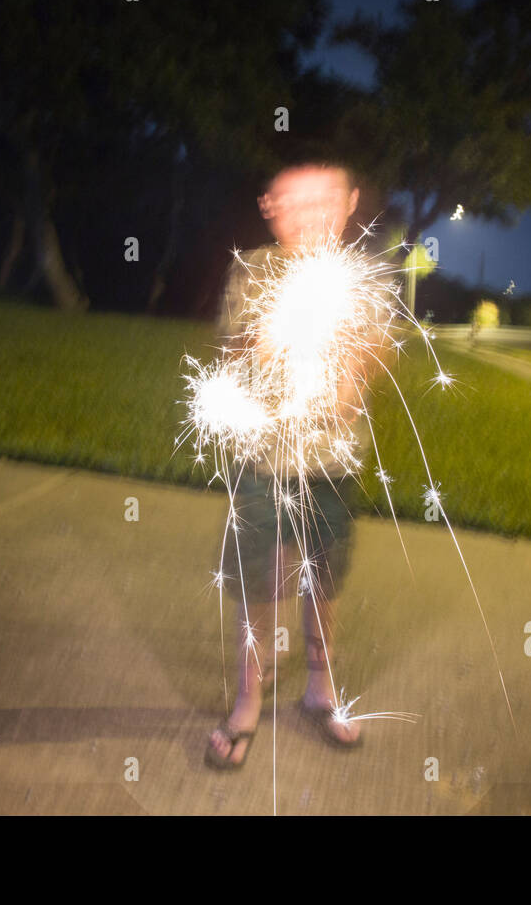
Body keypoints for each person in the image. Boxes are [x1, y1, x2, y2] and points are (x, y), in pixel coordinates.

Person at [205, 160, 381, 770]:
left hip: (331, 465)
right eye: (292, 201)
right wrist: (272, 350)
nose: (308, 214)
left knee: (321, 578)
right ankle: (249, 696)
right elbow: (236, 356)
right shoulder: (253, 270)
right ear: (269, 207)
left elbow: (361, 368)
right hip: (262, 463)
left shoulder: (360, 279)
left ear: (350, 201)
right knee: (258, 580)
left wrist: (337, 389)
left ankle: (319, 684)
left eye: (323, 199)